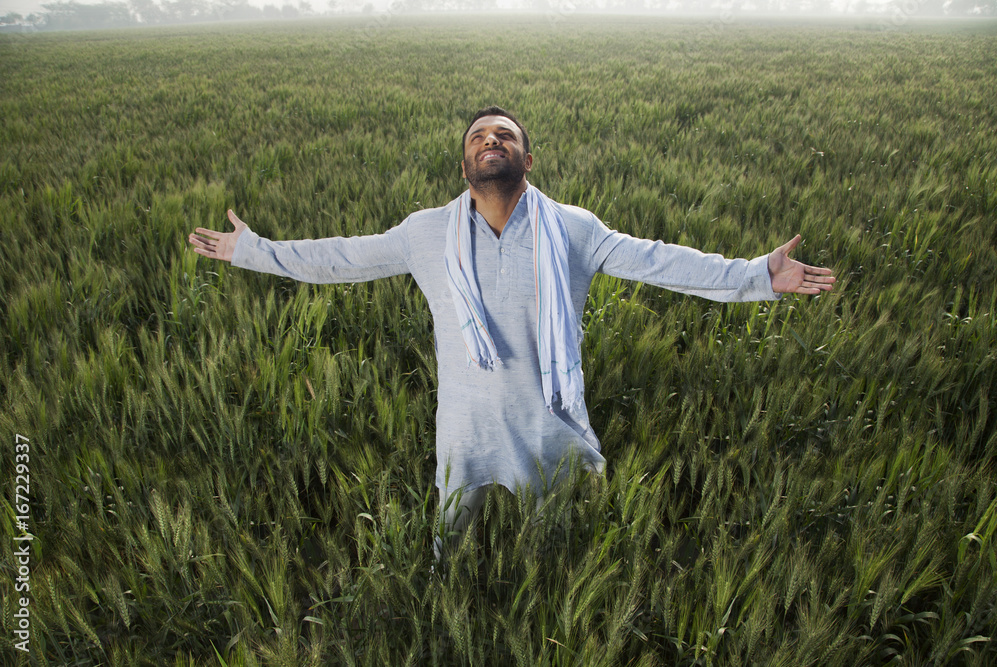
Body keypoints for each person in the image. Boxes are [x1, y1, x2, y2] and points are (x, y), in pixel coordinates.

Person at [188, 105, 835, 562]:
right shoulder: (426, 233)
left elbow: (658, 259)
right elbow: (339, 258)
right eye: (478, 135)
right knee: (450, 552)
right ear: (464, 161)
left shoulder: (573, 228)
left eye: (504, 133)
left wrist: (756, 275)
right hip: (464, 431)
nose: (489, 139)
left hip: (547, 423)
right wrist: (254, 250)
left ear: (527, 156)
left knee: (566, 547)